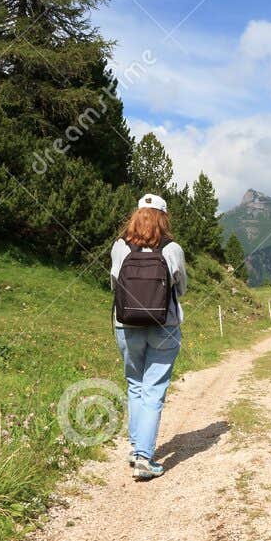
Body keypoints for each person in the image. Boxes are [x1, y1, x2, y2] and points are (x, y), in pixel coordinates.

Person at [110, 193, 187, 479]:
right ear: (163, 217)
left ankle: (135, 448)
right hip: (163, 325)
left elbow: (114, 283)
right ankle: (144, 456)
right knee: (154, 387)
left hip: (126, 324)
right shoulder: (173, 248)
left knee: (135, 384)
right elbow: (181, 288)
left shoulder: (120, 246)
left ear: (137, 215)